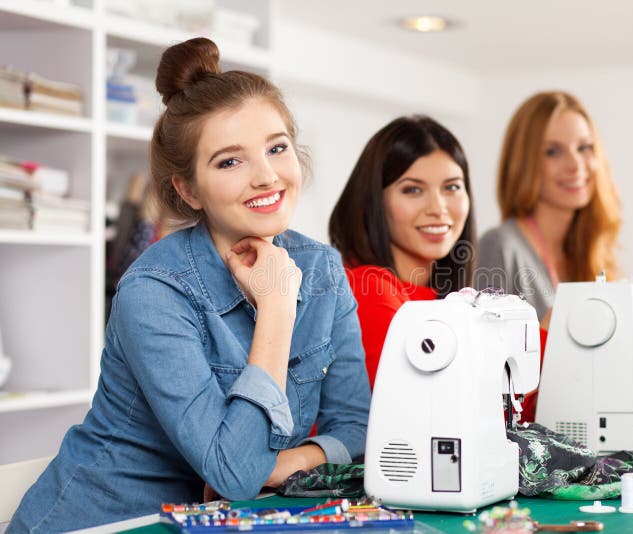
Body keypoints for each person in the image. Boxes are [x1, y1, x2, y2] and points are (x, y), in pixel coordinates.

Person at [9, 38, 370, 532]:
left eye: (276, 148)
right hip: (106, 522)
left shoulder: (322, 269)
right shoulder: (154, 291)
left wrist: (282, 465)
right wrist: (277, 308)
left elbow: (358, 427)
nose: (267, 176)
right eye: (230, 161)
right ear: (189, 190)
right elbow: (234, 472)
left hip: (218, 519)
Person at [477, 90, 621, 422]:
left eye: (585, 148)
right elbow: (486, 382)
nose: (575, 165)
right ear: (524, 163)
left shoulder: (589, 252)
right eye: (553, 151)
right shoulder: (499, 247)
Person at [328, 116, 476, 388]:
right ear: (374, 201)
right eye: (413, 190)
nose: (438, 208)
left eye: (452, 187)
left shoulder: (448, 301)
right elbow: (425, 401)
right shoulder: (369, 289)